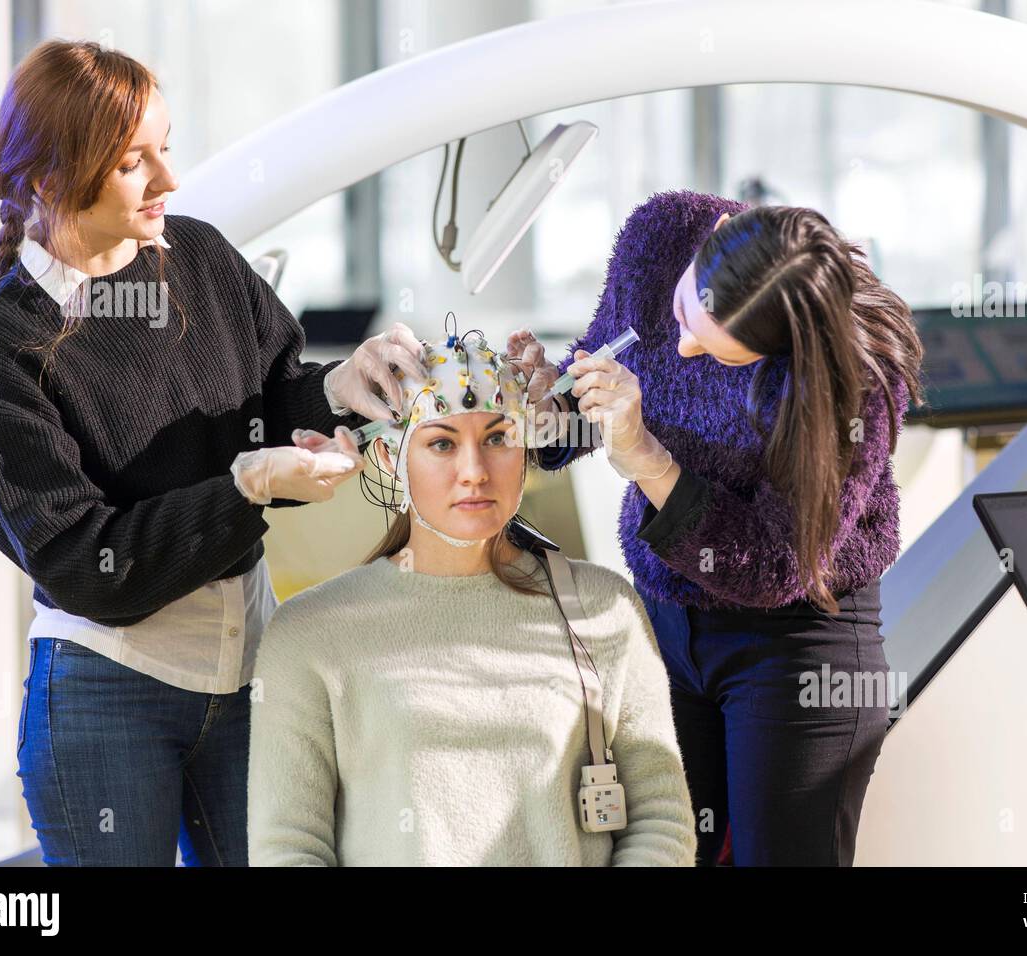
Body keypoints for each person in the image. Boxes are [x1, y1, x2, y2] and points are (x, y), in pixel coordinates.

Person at [0, 39, 425, 865]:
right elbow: (83, 563)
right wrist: (242, 492)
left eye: (165, 148)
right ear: (48, 178)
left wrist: (340, 387)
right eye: (133, 162)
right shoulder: (8, 344)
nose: (168, 180)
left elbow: (269, 395)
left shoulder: (201, 259)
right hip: (108, 694)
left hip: (251, 673)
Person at [508, 190, 926, 866]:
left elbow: (774, 565)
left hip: (796, 644)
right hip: (669, 619)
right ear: (718, 233)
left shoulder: (853, 379)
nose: (680, 343)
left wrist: (645, 456)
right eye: (683, 312)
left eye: (715, 349)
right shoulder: (663, 234)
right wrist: (548, 407)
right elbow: (604, 363)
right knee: (662, 851)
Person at [247, 326, 696, 866]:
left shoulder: (606, 608)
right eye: (440, 443)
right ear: (390, 459)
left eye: (498, 438)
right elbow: (288, 849)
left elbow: (660, 822)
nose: (474, 472)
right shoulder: (310, 633)